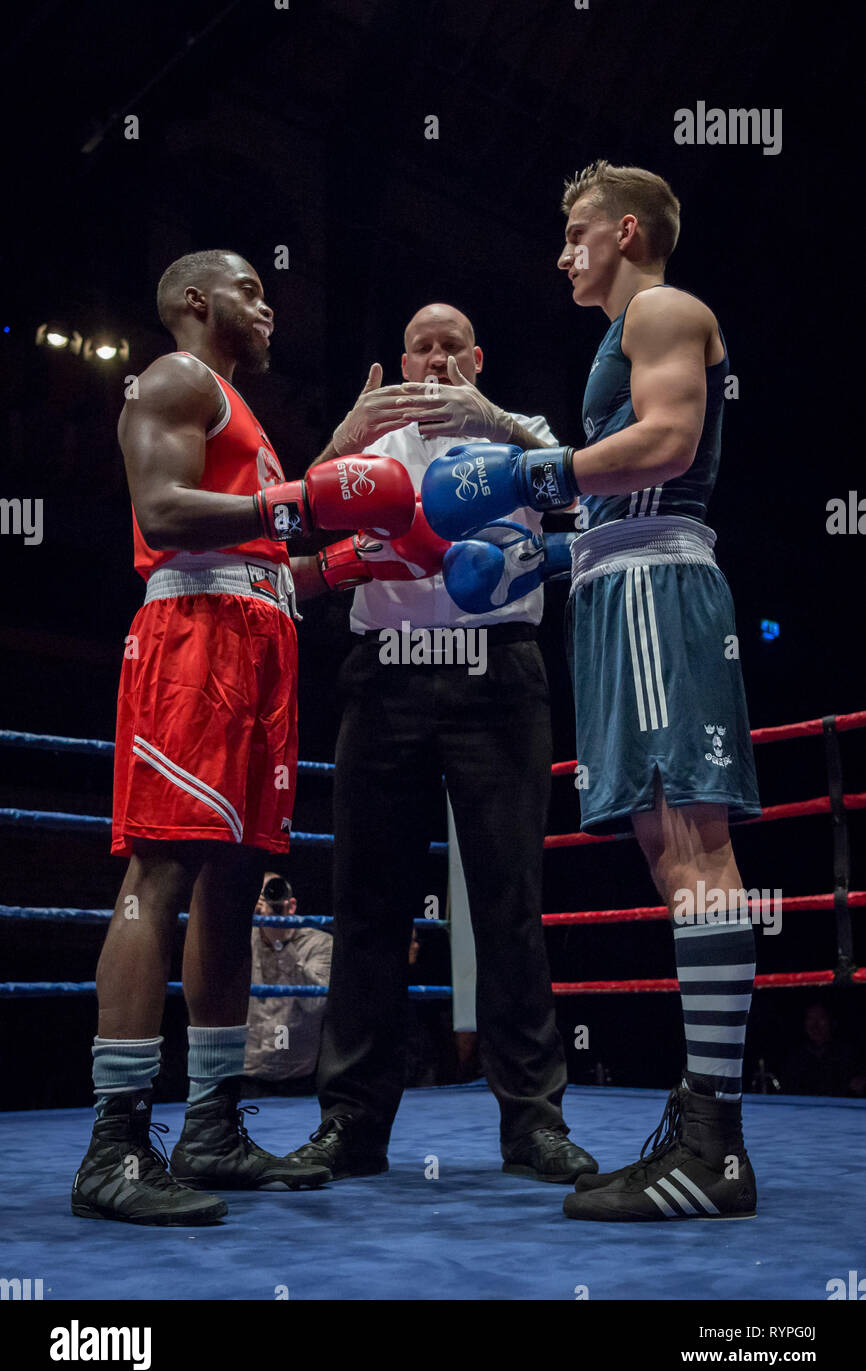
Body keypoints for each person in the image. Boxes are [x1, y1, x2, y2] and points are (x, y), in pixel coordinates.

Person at [421, 163, 763, 1221]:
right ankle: (706, 1128)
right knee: (668, 845)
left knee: (693, 842)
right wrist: (544, 560)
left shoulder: (660, 308)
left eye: (574, 235)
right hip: (623, 590)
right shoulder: (621, 334)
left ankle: (711, 1142)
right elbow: (637, 485)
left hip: (661, 595)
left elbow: (665, 445)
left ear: (623, 231)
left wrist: (533, 475)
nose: (563, 254)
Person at [71, 249, 415, 1226]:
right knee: (161, 875)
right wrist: (305, 498)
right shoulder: (176, 378)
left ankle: (210, 1127)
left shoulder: (247, 419)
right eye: (249, 290)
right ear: (194, 300)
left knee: (230, 884)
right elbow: (162, 511)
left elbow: (267, 564)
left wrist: (350, 555)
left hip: (260, 651)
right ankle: (116, 1141)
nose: (269, 305)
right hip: (191, 652)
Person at [285, 302, 598, 1184]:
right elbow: (294, 523)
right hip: (384, 676)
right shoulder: (370, 441)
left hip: (497, 677)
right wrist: (340, 435)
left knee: (509, 900)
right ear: (401, 355)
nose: (432, 360)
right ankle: (351, 1123)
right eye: (420, 346)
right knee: (367, 903)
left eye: (450, 347)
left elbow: (575, 491)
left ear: (477, 355)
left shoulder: (521, 429)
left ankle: (534, 1124)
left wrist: (492, 422)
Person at [243, 872, 332, 1095]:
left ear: (290, 905)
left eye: (272, 895)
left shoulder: (319, 943)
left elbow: (315, 1005)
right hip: (245, 1077)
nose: (266, 901)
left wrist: (280, 943)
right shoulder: (240, 941)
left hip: (299, 1081)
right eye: (259, 896)